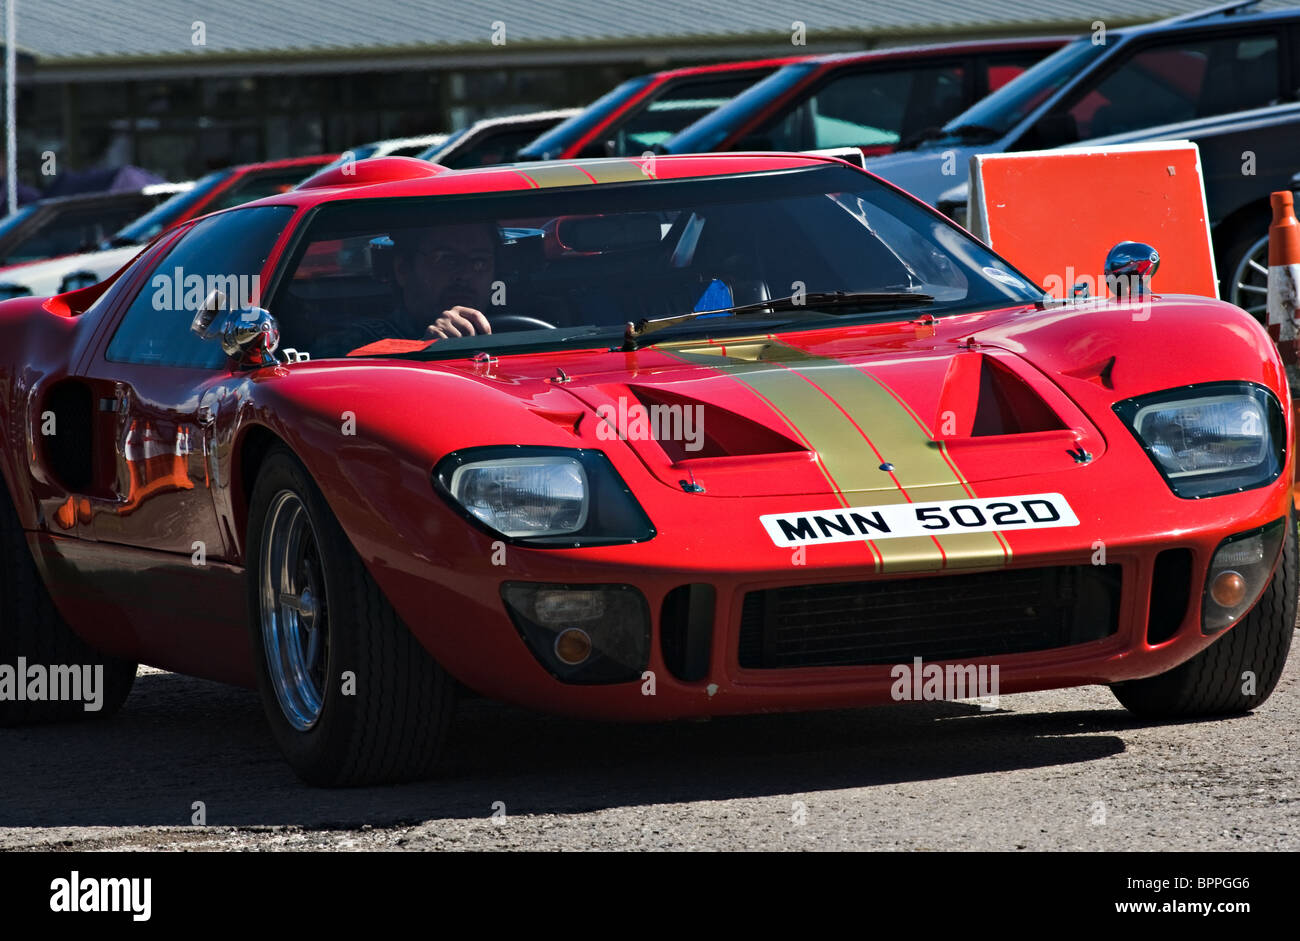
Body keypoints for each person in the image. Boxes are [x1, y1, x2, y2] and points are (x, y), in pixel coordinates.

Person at [314, 222, 497, 357]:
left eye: (479, 261)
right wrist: (425, 349)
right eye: (445, 259)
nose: (464, 274)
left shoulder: (518, 334)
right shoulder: (355, 342)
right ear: (403, 269)